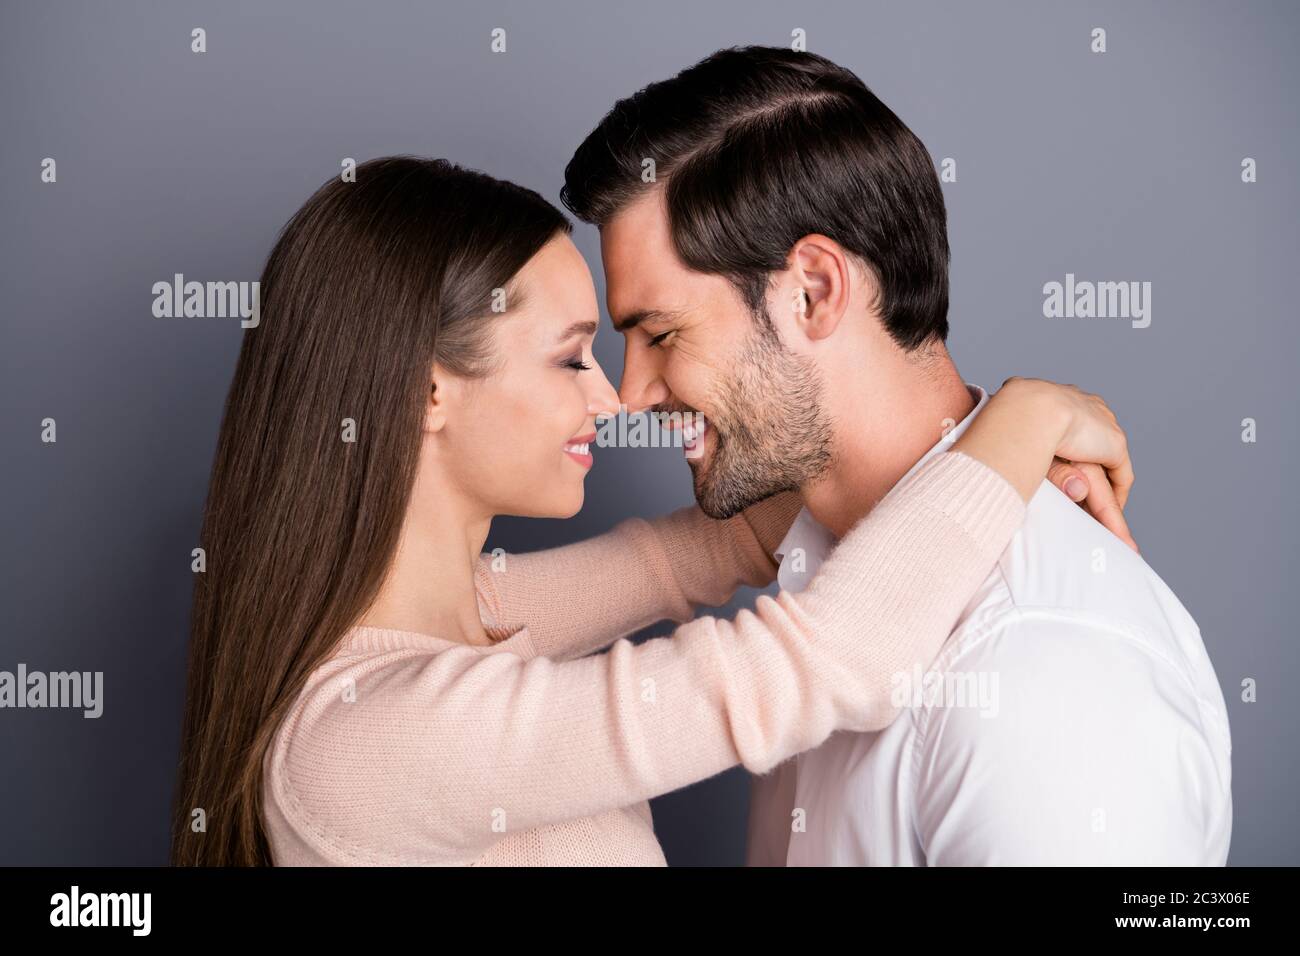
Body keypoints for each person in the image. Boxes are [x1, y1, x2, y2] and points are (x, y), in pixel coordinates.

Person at [170, 157, 1136, 866]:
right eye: (569, 358)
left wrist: (961, 455)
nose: (612, 398)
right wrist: (1022, 416)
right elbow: (821, 664)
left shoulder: (474, 619)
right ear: (427, 393)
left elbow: (694, 556)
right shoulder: (367, 735)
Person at [560, 46, 1231, 865]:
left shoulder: (1041, 669)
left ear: (812, 290)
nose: (631, 397)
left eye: (661, 334)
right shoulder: (825, 584)